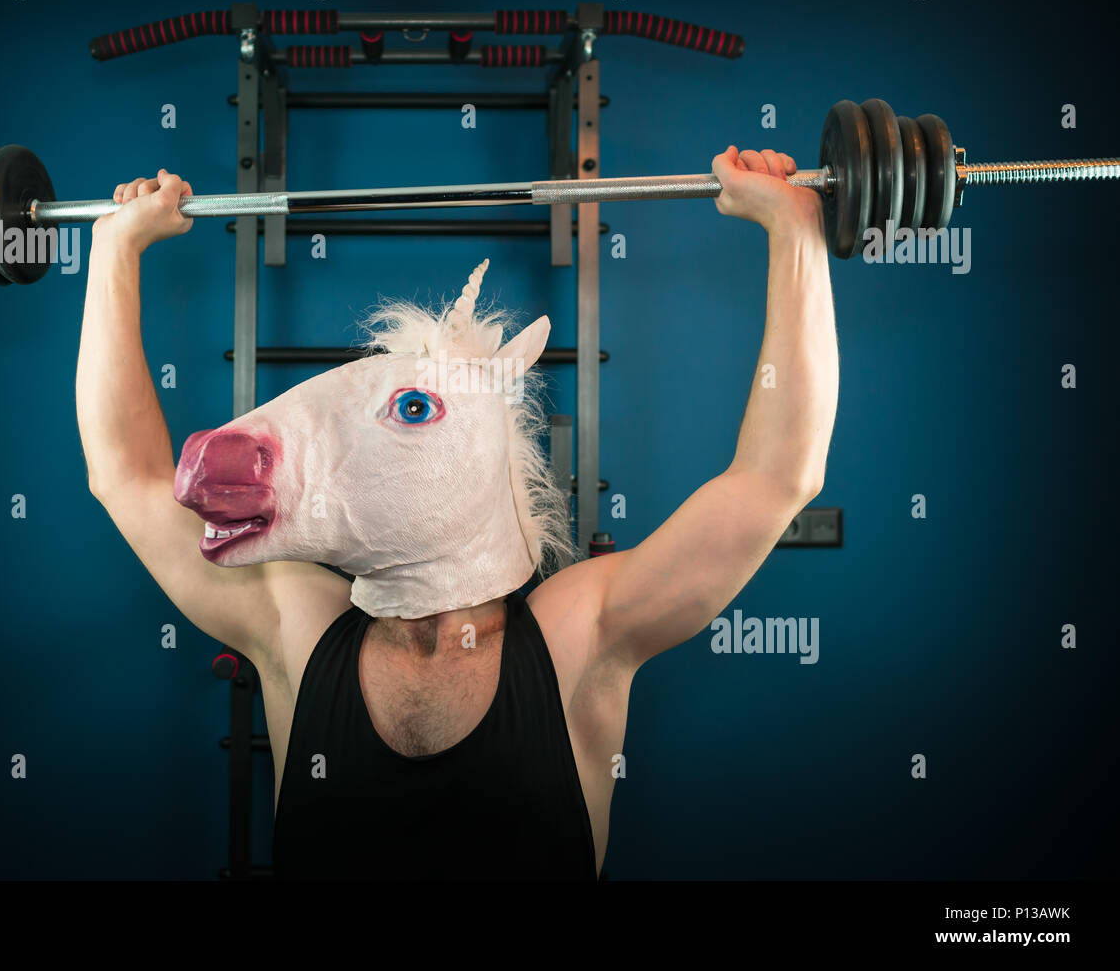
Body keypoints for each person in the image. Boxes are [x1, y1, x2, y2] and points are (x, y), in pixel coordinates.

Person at [74, 145, 838, 880]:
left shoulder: (581, 636)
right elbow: (129, 477)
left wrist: (795, 229)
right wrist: (114, 252)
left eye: (414, 407)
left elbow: (775, 479)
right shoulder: (294, 627)